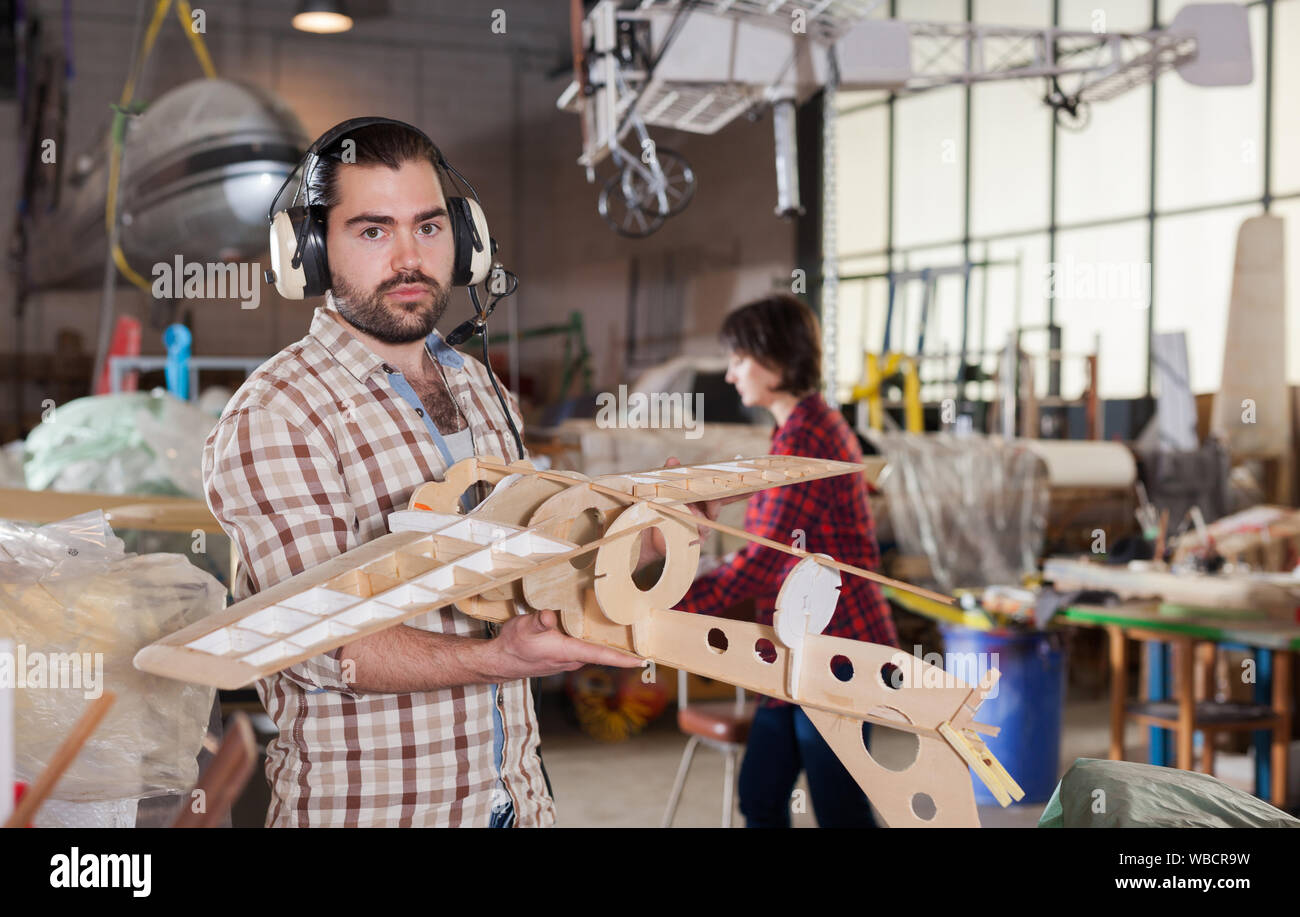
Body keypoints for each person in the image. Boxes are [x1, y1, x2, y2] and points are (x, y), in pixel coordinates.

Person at [203, 119, 638, 827]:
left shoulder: (477, 385)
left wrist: (624, 548)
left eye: (429, 228)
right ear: (309, 253)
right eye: (373, 231)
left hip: (514, 801)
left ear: (465, 242)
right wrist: (496, 659)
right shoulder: (280, 413)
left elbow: (528, 567)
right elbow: (316, 640)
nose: (410, 258)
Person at [673, 294, 899, 828]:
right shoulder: (803, 427)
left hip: (837, 650)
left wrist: (672, 601)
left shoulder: (806, 439)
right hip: (801, 644)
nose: (729, 375)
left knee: (839, 809)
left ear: (775, 359)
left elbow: (759, 563)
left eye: (739, 359)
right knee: (761, 792)